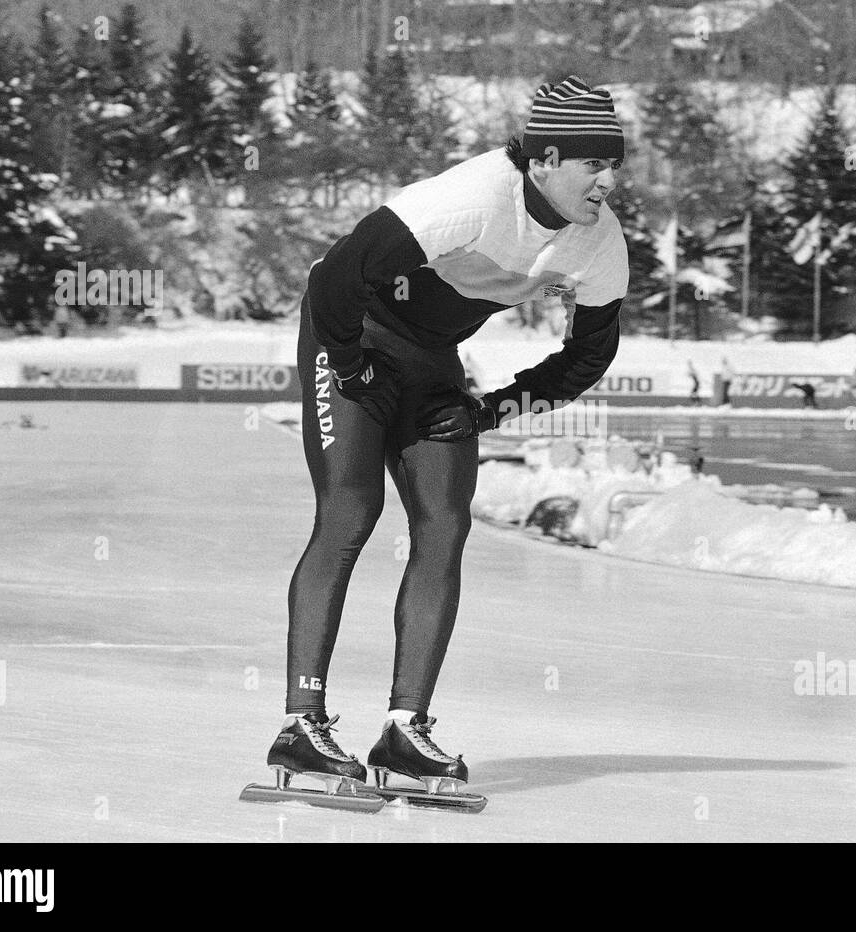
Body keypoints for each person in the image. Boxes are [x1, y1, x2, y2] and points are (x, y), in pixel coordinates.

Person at [267, 76, 629, 798]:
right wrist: (347, 364)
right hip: (350, 330)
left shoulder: (597, 241)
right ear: (546, 158)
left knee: (445, 520)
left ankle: (405, 730)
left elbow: (588, 356)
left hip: (430, 354)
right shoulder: (467, 198)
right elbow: (337, 277)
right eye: (594, 164)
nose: (608, 181)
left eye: (615, 163)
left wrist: (491, 410)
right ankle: (300, 727)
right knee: (351, 509)